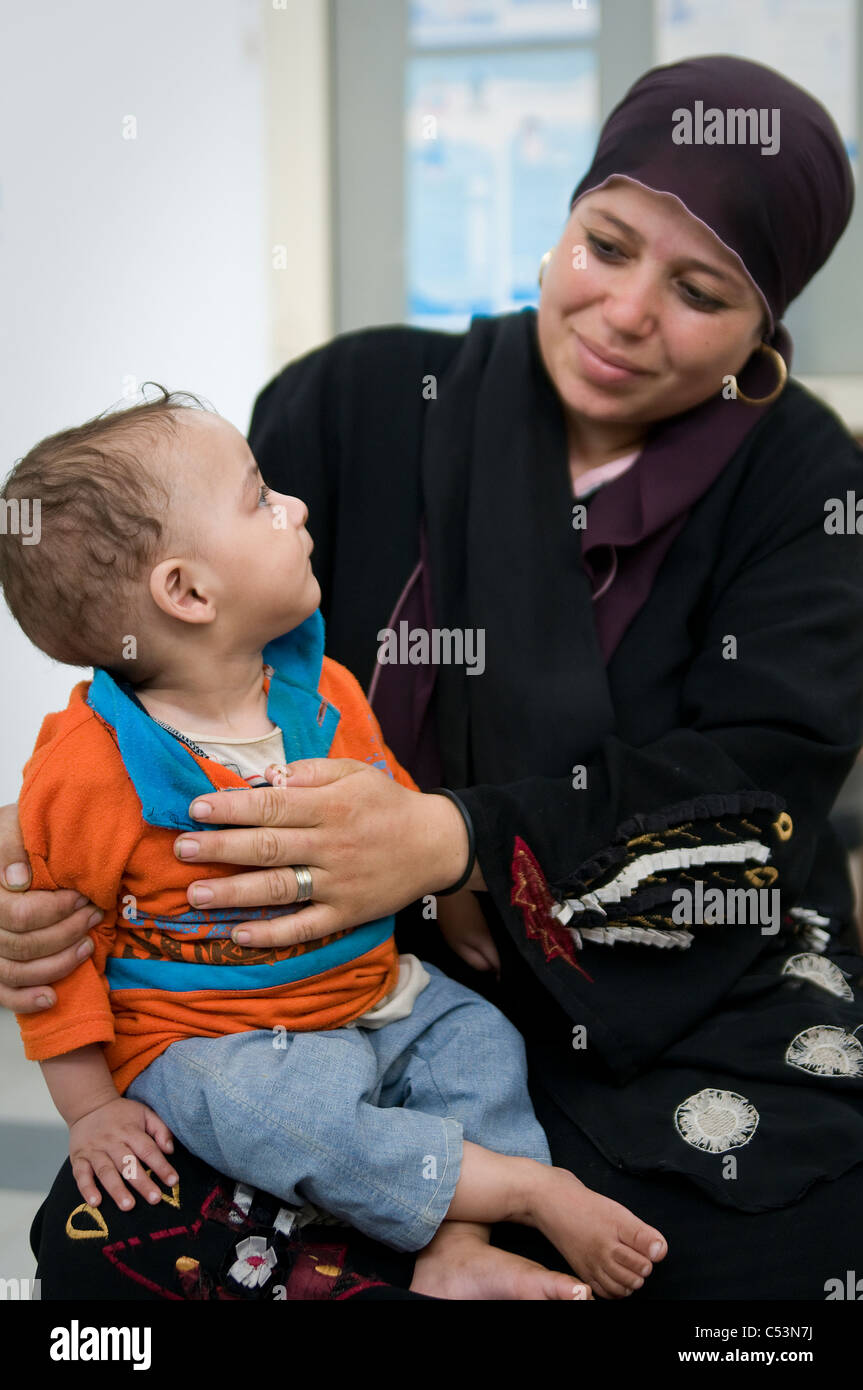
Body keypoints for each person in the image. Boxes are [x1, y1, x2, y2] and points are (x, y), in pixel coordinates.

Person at [3, 53, 863, 1301]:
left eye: (699, 290)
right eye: (605, 245)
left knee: (760, 1259)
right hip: (318, 973)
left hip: (678, 957)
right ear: (562, 216)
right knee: (106, 1265)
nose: (625, 312)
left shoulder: (800, 481)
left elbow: (761, 782)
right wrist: (43, 896)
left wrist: (448, 835)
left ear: (764, 320)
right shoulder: (354, 401)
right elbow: (153, 682)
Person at [0, 392, 680, 1300]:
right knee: (282, 1118)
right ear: (188, 592)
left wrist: (460, 888)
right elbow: (52, 952)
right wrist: (89, 1111)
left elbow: (389, 798)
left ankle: (459, 1244)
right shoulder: (91, 770)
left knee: (479, 1042)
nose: (297, 508)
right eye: (260, 500)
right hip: (211, 1039)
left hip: (371, 991)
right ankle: (520, 1189)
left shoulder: (319, 686)